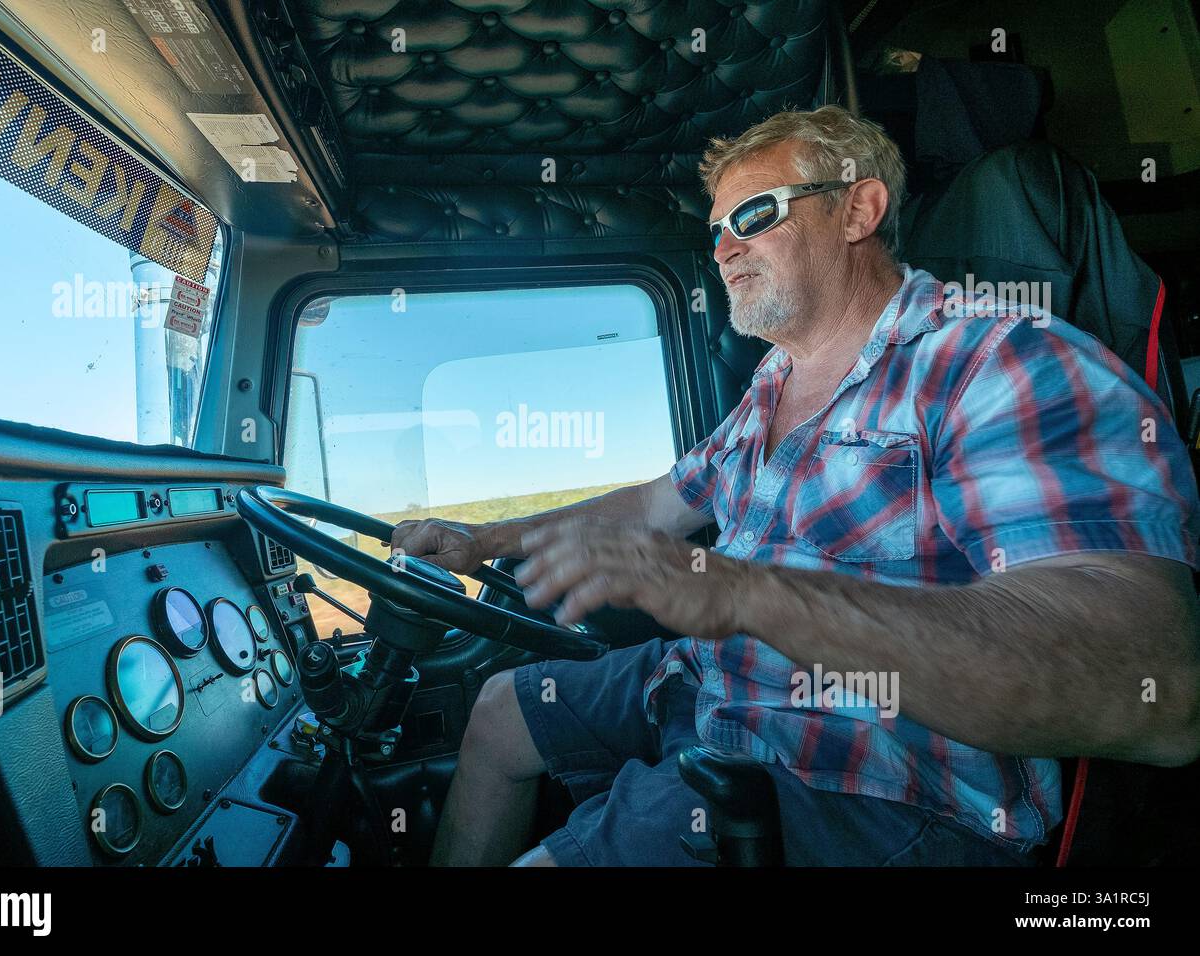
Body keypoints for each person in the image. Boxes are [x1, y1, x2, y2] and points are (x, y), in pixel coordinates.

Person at [392, 106, 1200, 866]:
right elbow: (654, 504)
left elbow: (1152, 688)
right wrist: (482, 540)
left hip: (870, 773)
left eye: (754, 217)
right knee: (499, 710)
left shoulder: (998, 361)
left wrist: (748, 594)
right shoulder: (773, 386)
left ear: (858, 211)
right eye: (716, 232)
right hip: (716, 682)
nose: (723, 251)